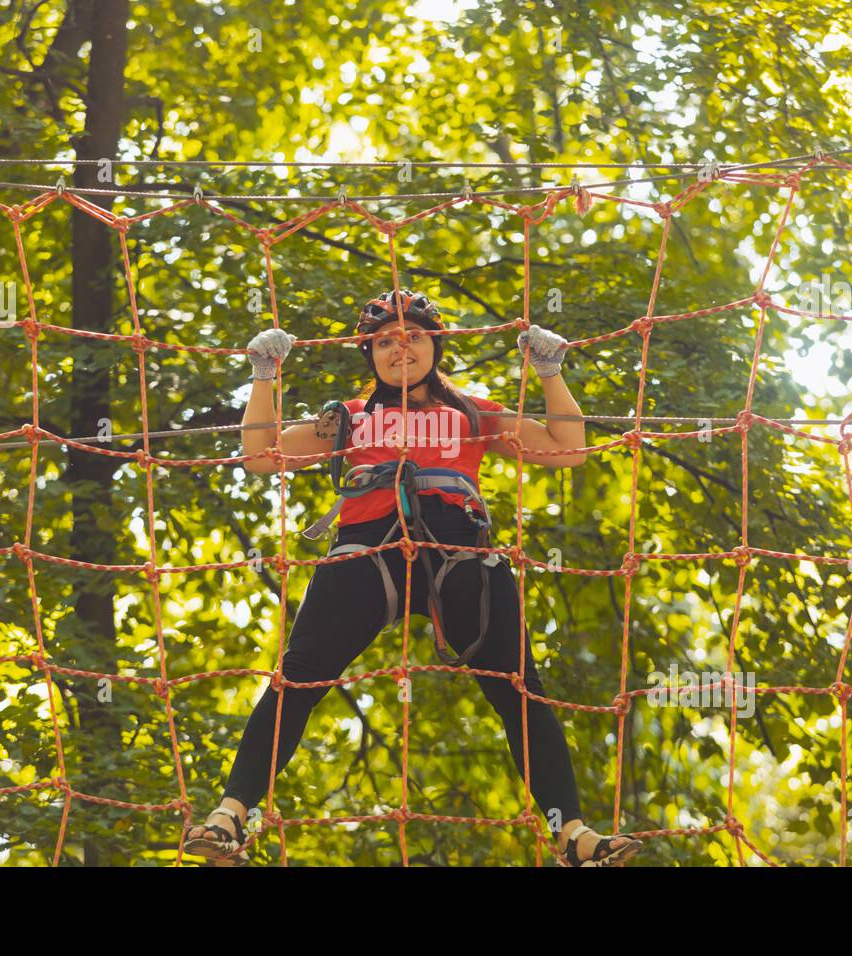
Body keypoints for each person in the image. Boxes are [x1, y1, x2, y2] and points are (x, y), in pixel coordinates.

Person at [183, 289, 643, 867]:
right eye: (383, 341)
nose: (400, 348)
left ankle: (572, 833)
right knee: (298, 678)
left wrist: (549, 373)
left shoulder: (473, 413)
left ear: (435, 343)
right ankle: (229, 817)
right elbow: (261, 455)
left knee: (521, 688)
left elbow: (568, 449)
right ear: (369, 355)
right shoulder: (348, 417)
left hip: (460, 552)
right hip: (366, 550)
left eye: (414, 336)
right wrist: (264, 377)